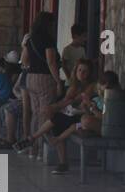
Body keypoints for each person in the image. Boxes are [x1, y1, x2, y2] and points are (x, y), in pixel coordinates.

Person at [15, 58, 98, 173]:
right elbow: (67, 101)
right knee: (57, 122)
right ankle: (37, 141)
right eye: (79, 70)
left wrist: (56, 106)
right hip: (72, 115)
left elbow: (73, 102)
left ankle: (33, 139)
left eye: (85, 71)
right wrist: (54, 106)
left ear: (89, 73)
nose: (81, 73)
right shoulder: (74, 85)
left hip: (84, 118)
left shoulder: (91, 86)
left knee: (57, 119)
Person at [19, 11, 61, 149]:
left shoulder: (30, 40)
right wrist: (58, 81)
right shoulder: (48, 39)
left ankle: (33, 149)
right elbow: (51, 62)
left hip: (31, 78)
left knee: (35, 113)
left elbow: (24, 61)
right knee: (45, 113)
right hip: (45, 79)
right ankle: (43, 149)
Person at [61, 23, 87, 92]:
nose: (85, 39)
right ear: (76, 36)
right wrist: (69, 78)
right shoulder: (67, 49)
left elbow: (84, 63)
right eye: (83, 36)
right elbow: (64, 65)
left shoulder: (82, 49)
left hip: (79, 81)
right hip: (70, 82)